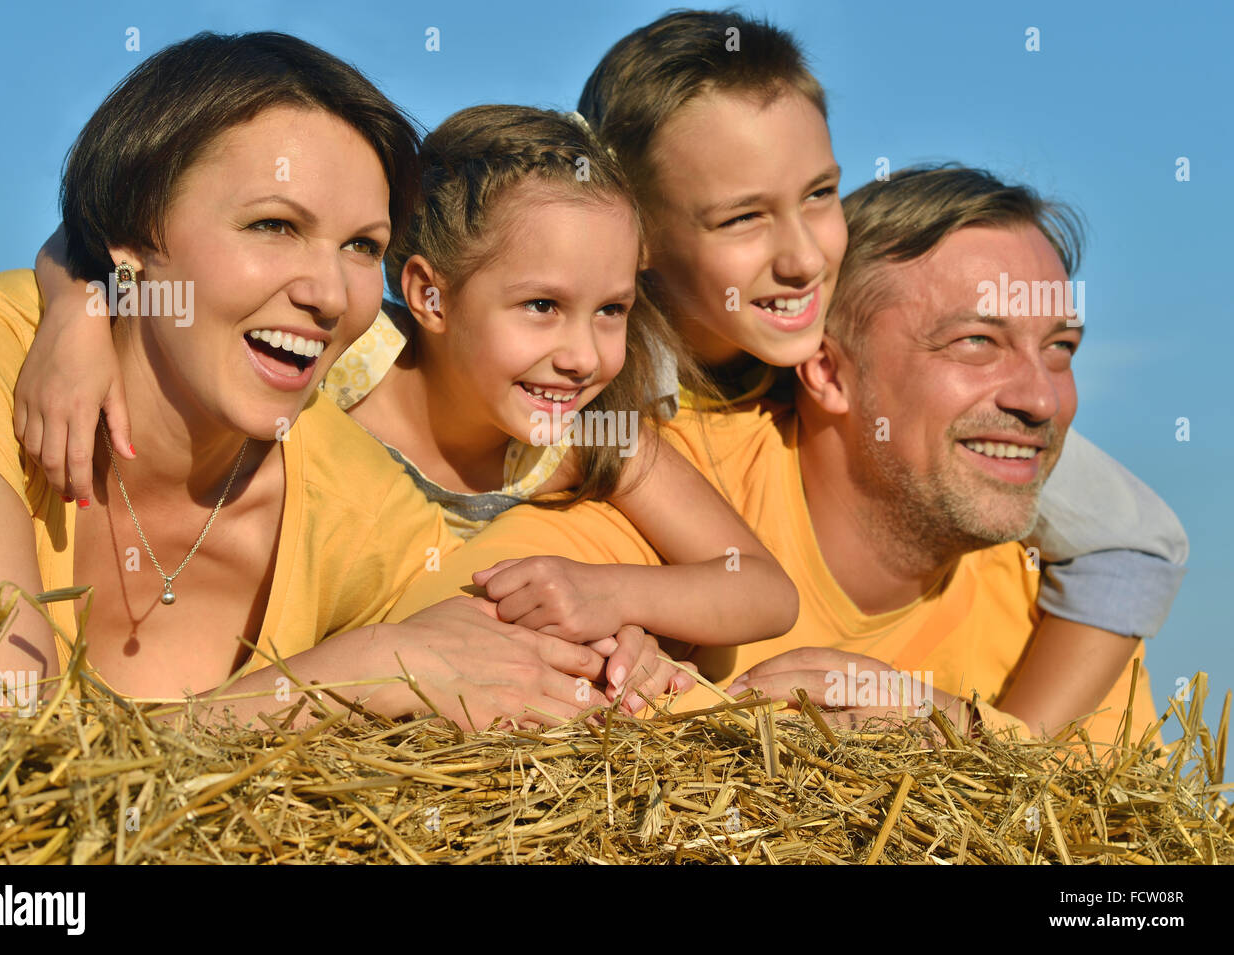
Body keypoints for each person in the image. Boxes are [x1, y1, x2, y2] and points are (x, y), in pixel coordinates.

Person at [0, 31, 679, 729]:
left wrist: (628, 668)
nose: (329, 292)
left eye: (362, 245)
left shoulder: (357, 499)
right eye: (273, 226)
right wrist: (336, 678)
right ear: (131, 232)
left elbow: (516, 660)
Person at [23, 106, 799, 694]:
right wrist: (76, 311)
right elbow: (95, 234)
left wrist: (606, 594)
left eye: (612, 310)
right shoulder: (341, 358)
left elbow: (760, 587)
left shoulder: (591, 434)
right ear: (428, 294)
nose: (582, 354)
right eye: (541, 307)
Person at [384, 164, 1160, 743]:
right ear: (826, 369)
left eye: (1060, 350)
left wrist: (960, 738)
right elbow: (440, 659)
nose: (1042, 398)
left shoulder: (1057, 607)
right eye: (976, 343)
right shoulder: (655, 499)